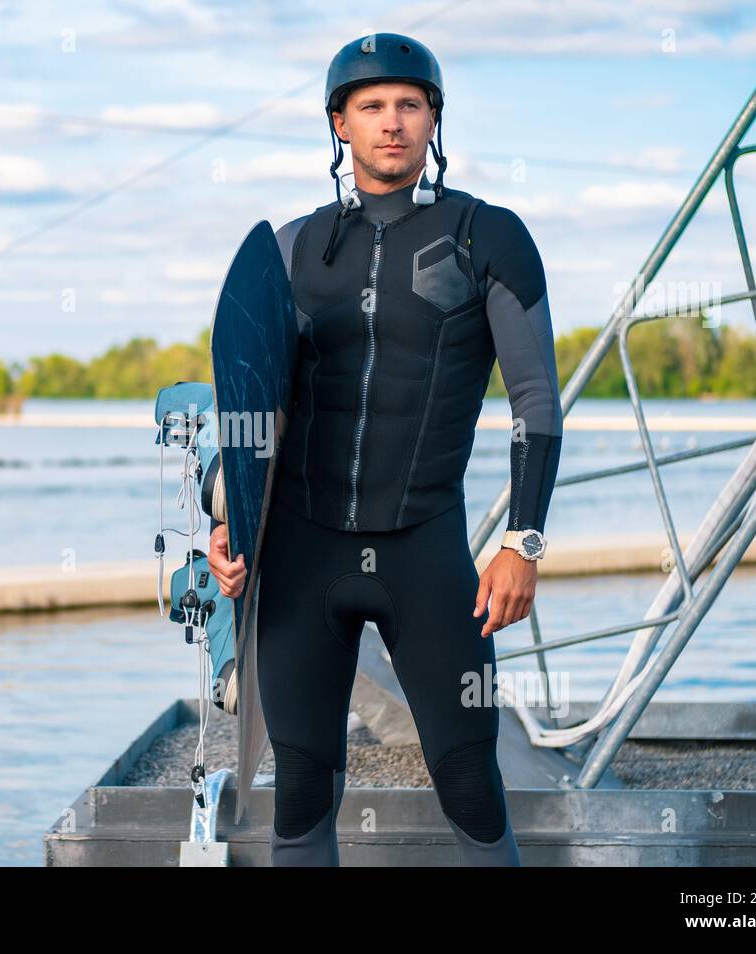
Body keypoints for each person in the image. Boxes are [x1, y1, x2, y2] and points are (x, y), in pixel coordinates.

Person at [206, 32, 563, 866]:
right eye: (371, 107)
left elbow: (536, 401)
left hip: (427, 551)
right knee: (299, 791)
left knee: (470, 783)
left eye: (409, 104)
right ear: (340, 124)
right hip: (300, 552)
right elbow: (255, 409)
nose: (391, 123)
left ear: (434, 119)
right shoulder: (290, 249)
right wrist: (231, 520)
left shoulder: (488, 236)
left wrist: (523, 542)